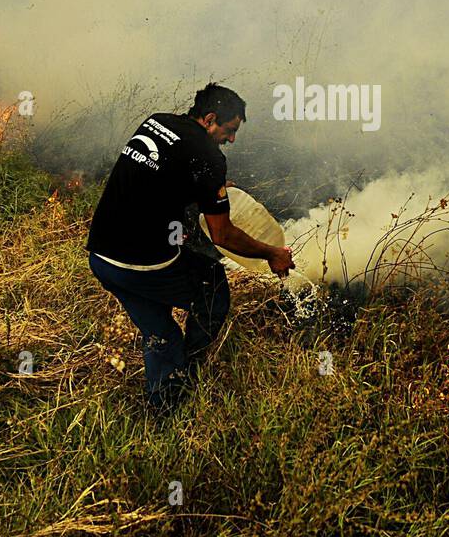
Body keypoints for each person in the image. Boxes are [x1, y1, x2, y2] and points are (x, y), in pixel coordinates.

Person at [86, 83, 295, 415]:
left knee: (162, 332)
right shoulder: (210, 157)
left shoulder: (157, 122)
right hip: (141, 264)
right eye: (229, 131)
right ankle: (194, 365)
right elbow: (223, 235)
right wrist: (271, 253)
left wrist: (209, 189)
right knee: (212, 283)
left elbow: (161, 177)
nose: (232, 140)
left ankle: (163, 406)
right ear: (210, 119)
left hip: (101, 256)